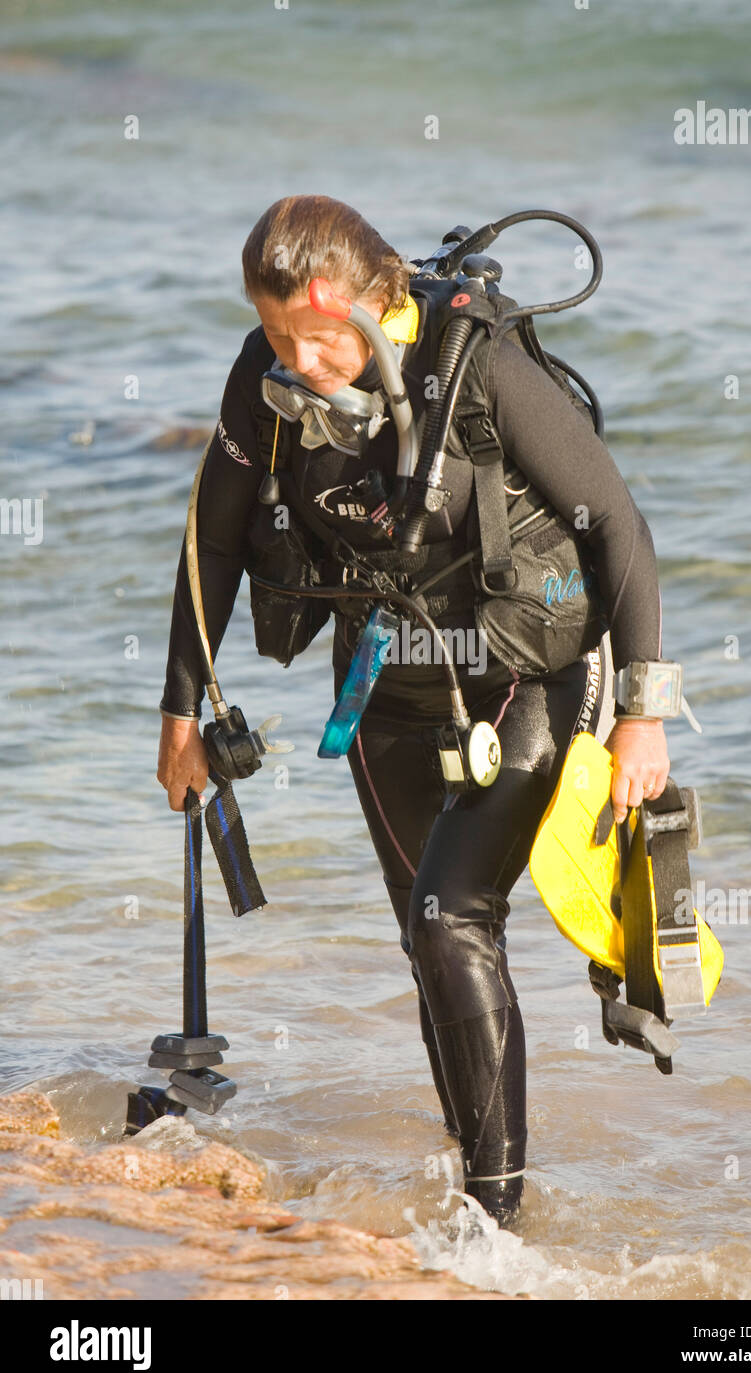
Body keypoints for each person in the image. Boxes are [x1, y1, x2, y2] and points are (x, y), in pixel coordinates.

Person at [157, 195, 670, 1228]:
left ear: (380, 298)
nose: (300, 357)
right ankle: (469, 1185)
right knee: (423, 932)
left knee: (451, 918)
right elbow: (211, 544)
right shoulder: (262, 391)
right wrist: (182, 712)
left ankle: (493, 1225)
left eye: (321, 334)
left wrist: (640, 708)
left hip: (527, 661)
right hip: (385, 673)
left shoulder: (473, 364)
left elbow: (611, 519)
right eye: (277, 334)